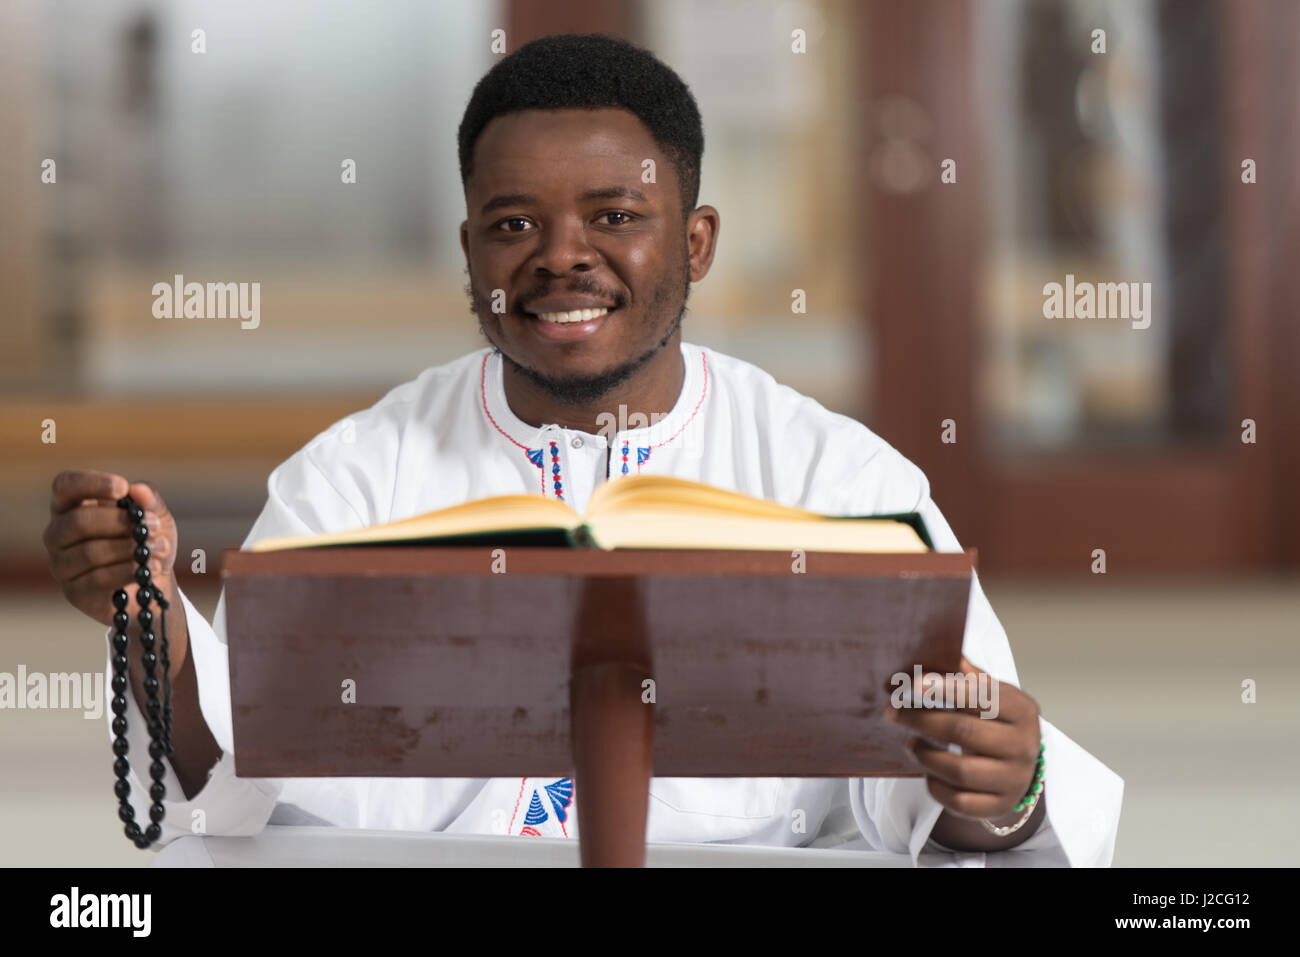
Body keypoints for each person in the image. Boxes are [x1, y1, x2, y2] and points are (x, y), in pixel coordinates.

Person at [43, 33, 1122, 865]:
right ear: (471, 250)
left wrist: (1004, 788)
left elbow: (968, 815)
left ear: (694, 241)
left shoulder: (840, 482)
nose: (564, 258)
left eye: (615, 216)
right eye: (514, 225)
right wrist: (156, 628)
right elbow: (233, 790)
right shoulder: (353, 476)